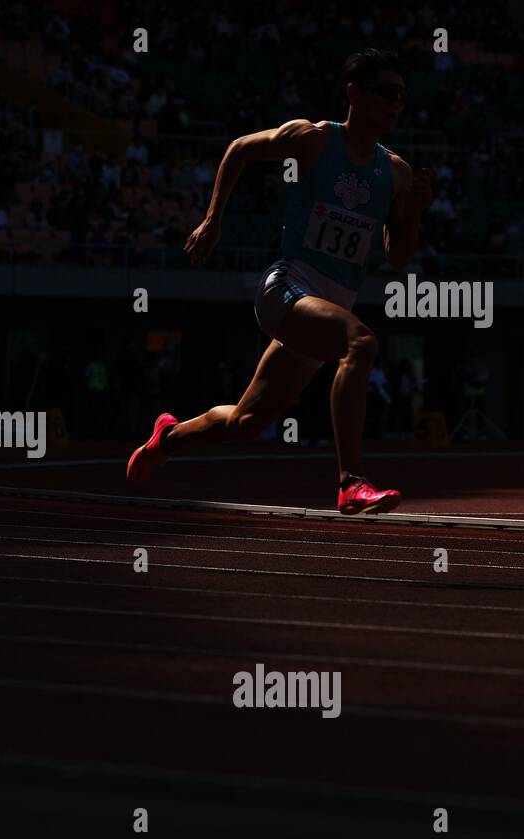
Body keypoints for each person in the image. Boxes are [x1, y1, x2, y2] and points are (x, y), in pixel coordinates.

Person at [128, 49, 433, 515]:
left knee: (246, 423)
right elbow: (240, 149)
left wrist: (413, 211)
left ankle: (166, 437)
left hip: (326, 308)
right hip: (287, 287)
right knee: (361, 342)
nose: (397, 104)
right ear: (354, 94)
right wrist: (213, 221)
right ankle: (350, 482)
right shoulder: (312, 139)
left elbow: (398, 254)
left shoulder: (396, 172)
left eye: (402, 97)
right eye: (387, 93)